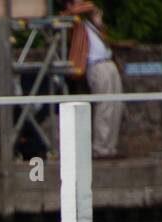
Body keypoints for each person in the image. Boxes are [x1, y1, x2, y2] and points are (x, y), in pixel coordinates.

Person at [65, 1, 123, 158]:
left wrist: (98, 23)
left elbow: (102, 39)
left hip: (108, 63)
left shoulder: (88, 24)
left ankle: (110, 146)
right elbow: (72, 13)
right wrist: (88, 9)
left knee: (116, 105)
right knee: (104, 106)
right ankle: (101, 147)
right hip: (96, 66)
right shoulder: (72, 21)